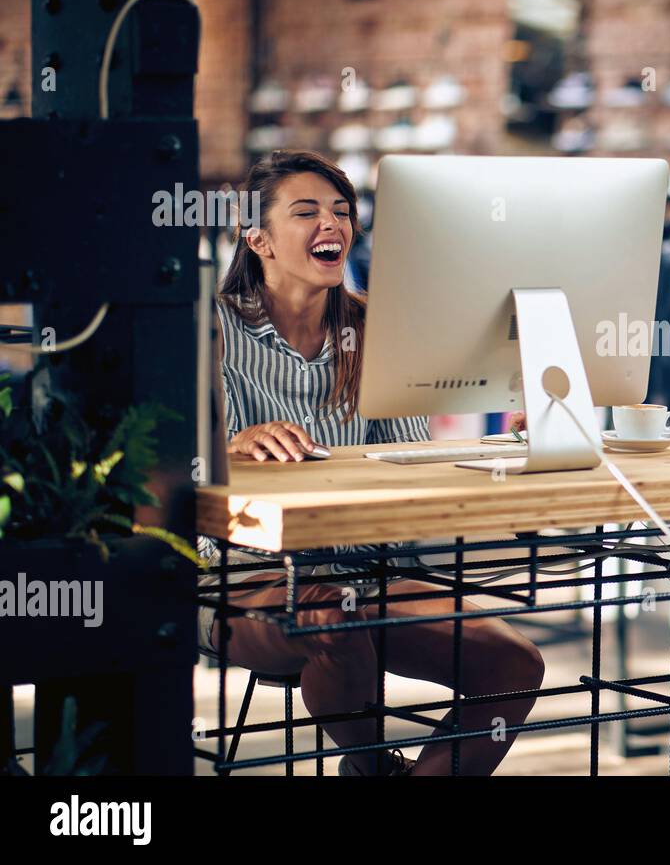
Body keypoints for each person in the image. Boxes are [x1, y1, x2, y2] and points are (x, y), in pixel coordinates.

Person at [198, 149, 544, 776]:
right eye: (306, 212)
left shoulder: (374, 328)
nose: (331, 224)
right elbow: (164, 463)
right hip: (239, 577)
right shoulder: (208, 329)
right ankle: (371, 769)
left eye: (342, 212)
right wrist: (227, 447)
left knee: (515, 665)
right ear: (258, 239)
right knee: (335, 614)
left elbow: (408, 465)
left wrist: (506, 446)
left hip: (370, 569)